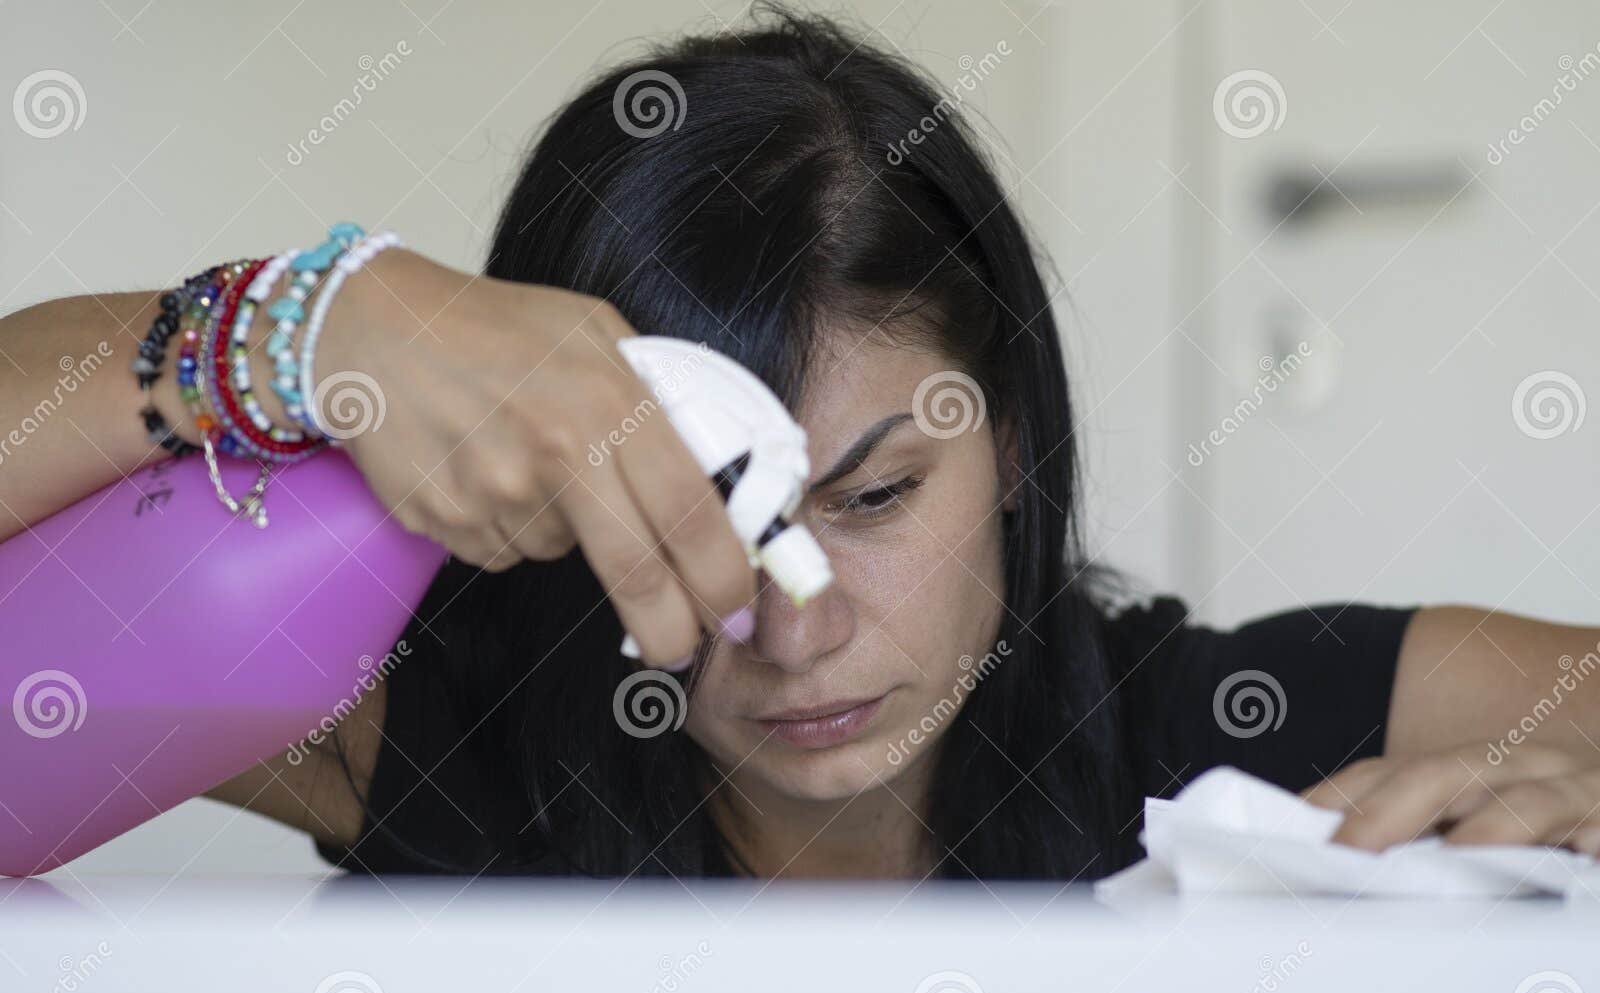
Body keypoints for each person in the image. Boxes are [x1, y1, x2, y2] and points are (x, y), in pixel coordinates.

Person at [2, 9, 1597, 881]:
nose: (801, 618)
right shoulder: (449, 756)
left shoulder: (1219, 734)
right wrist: (303, 330)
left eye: (884, 492)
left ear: (1017, 447)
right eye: (700, 509)